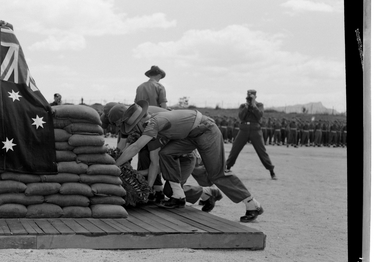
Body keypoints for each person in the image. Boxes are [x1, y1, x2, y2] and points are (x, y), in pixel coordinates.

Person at [113, 101, 264, 223]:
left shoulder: (155, 122)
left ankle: (252, 204)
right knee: (166, 153)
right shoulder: (151, 122)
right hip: (190, 137)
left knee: (217, 173)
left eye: (134, 126)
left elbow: (136, 146)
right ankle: (178, 197)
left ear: (139, 122)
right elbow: (152, 158)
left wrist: (115, 165)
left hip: (206, 130)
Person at [109, 102, 221, 212]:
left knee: (170, 191)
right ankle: (158, 191)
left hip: (185, 157)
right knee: (148, 156)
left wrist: (125, 170)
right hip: (171, 156)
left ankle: (206, 192)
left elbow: (151, 161)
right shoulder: (142, 123)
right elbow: (131, 149)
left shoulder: (152, 123)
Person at [226, 90, 277, 180]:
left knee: (262, 151)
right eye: (248, 96)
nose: (250, 98)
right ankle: (227, 167)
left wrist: (254, 106)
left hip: (255, 129)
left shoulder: (259, 105)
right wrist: (246, 107)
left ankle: (271, 171)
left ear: (255, 96)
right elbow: (241, 117)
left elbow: (259, 115)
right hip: (244, 129)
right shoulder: (243, 106)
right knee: (235, 149)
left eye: (252, 96)